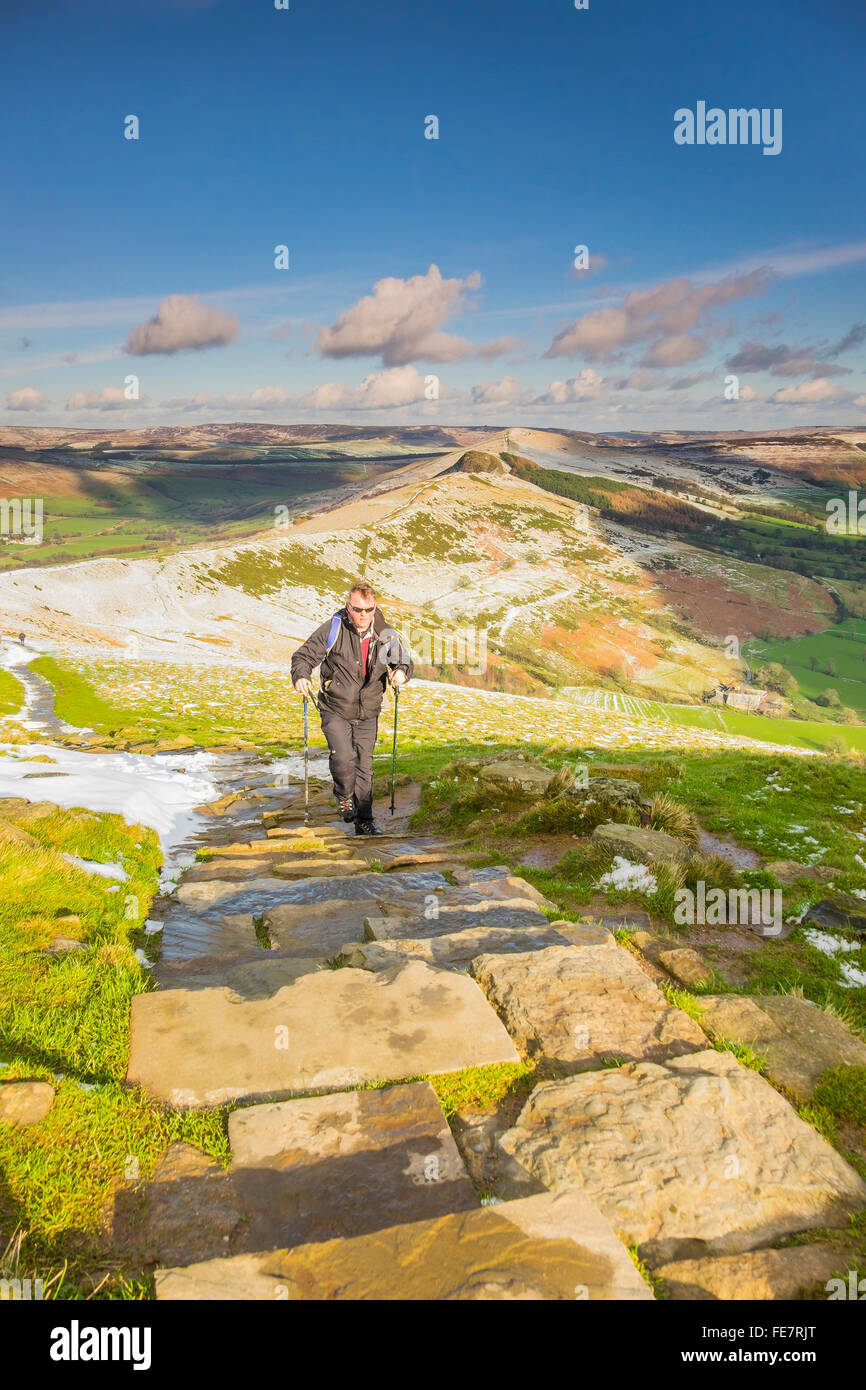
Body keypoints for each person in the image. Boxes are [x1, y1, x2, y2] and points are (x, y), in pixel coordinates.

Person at [291, 581, 413, 835]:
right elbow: (303, 656)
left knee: (364, 767)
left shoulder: (385, 634)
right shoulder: (334, 627)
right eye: (357, 609)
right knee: (344, 758)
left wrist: (400, 672)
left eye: (368, 610)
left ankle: (365, 821)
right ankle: (344, 795)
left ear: (375, 608)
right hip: (335, 707)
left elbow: (403, 661)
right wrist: (301, 676)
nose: (363, 615)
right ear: (348, 606)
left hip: (368, 711)